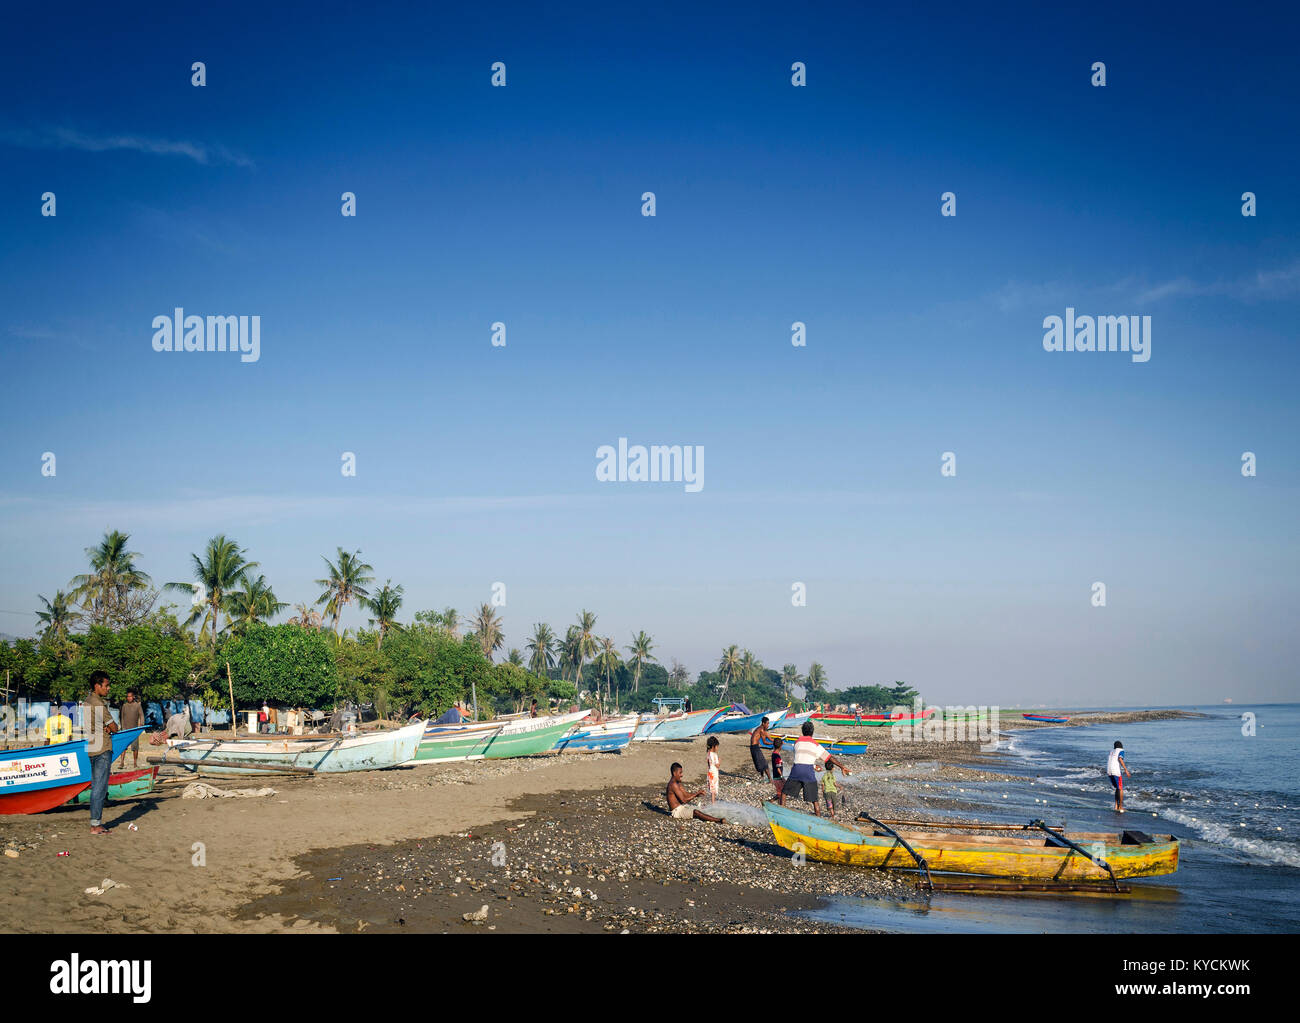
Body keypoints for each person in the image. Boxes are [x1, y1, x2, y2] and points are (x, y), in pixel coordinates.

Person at [777, 721, 850, 816]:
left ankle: (781, 814)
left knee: (784, 793)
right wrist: (842, 767)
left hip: (796, 770)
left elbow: (802, 759)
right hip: (808, 772)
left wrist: (814, 766)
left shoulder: (797, 742)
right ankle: (818, 819)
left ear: (803, 731)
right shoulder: (815, 745)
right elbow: (829, 758)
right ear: (812, 732)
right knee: (815, 800)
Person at [84, 670, 119, 835]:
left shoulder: (87, 702)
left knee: (96, 786)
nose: (108, 688)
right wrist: (110, 727)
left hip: (91, 748)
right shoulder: (98, 703)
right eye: (106, 685)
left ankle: (95, 822)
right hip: (102, 749)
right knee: (99, 787)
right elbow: (114, 728)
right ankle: (96, 825)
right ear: (97, 686)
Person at [117, 690, 144, 767]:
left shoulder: (137, 705)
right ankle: (121, 762)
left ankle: (135, 763)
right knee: (123, 747)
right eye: (127, 696)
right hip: (125, 729)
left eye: (130, 696)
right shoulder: (124, 706)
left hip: (134, 730)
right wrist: (122, 728)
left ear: (133, 697)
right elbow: (122, 717)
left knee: (135, 747)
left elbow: (141, 715)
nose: (129, 698)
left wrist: (141, 723)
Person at [1107, 740, 1132, 813]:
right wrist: (1126, 770)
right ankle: (1120, 806)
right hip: (1115, 771)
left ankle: (1116, 806)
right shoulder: (1121, 750)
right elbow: (1120, 759)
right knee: (1120, 789)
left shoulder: (1111, 751)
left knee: (1117, 788)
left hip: (1109, 771)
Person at [749, 716, 773, 781]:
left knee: (760, 763)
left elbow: (768, 737)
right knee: (764, 764)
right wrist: (773, 744)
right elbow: (765, 742)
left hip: (753, 747)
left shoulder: (760, 729)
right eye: (767, 724)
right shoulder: (761, 730)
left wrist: (773, 740)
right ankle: (770, 779)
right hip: (755, 748)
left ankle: (762, 777)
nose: (768, 725)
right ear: (763, 723)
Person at [705, 736, 721, 803]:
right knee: (714, 788)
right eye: (717, 746)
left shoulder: (708, 753)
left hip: (709, 772)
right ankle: (713, 802)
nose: (717, 748)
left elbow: (708, 763)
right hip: (714, 773)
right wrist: (719, 761)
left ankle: (712, 801)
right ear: (713, 746)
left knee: (711, 787)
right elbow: (717, 766)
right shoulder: (714, 755)